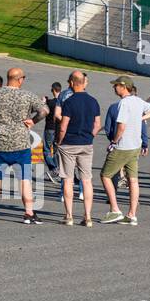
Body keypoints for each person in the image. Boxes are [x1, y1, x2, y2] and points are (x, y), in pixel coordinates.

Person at [0, 67, 47, 223]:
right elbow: (44, 111)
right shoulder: (27, 95)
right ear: (20, 79)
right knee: (24, 178)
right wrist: (33, 121)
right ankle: (29, 212)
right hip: (21, 143)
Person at [100, 77, 150, 225]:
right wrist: (141, 118)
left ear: (123, 86)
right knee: (133, 179)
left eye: (116, 86)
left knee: (105, 175)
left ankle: (115, 210)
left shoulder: (123, 103)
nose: (114, 88)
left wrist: (114, 141)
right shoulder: (138, 101)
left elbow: (121, 126)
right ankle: (132, 214)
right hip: (135, 146)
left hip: (123, 146)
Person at [55, 70, 100, 226]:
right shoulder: (93, 101)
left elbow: (63, 126)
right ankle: (87, 216)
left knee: (67, 179)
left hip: (69, 143)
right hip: (86, 143)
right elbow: (97, 124)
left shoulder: (69, 102)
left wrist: (59, 141)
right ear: (84, 82)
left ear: (72, 83)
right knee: (86, 180)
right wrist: (90, 136)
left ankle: (69, 216)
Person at [43, 80, 65, 185]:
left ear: (53, 90)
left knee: (47, 149)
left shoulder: (50, 102)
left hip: (49, 128)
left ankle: (54, 169)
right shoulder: (61, 102)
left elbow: (42, 110)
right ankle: (57, 170)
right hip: (58, 128)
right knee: (56, 150)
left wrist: (44, 101)